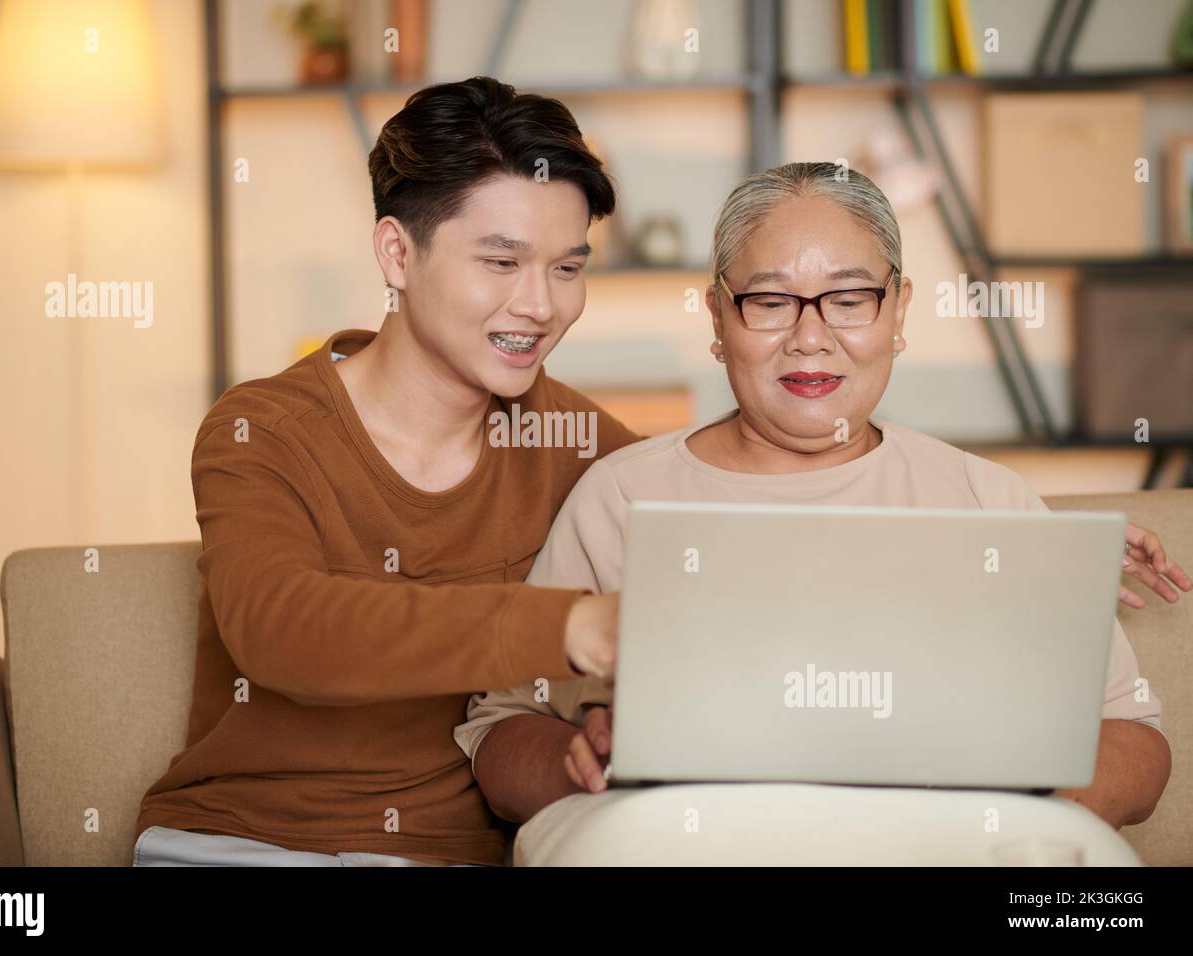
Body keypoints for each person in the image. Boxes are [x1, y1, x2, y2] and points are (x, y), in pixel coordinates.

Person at [456, 162, 1188, 862]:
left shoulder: (987, 501)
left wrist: (1020, 786)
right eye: (770, 301)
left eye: (848, 299)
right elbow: (499, 735)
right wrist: (574, 756)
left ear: (898, 311)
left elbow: (1137, 748)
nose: (810, 338)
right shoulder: (622, 496)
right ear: (718, 315)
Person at [133, 76, 631, 867]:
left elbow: (708, 542)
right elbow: (281, 627)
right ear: (397, 252)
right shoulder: (262, 430)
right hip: (248, 844)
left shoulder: (577, 441)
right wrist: (567, 627)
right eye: (501, 262)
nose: (540, 306)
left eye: (568, 270)